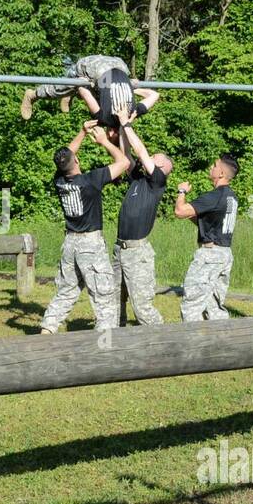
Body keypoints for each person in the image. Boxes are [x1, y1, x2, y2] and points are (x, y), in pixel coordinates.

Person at [39, 121, 130, 334]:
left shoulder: (59, 180)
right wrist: (104, 141)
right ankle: (105, 342)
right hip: (90, 243)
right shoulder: (91, 181)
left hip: (70, 242)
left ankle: (47, 329)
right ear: (77, 160)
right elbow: (124, 162)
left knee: (67, 290)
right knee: (103, 295)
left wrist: (81, 132)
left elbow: (66, 157)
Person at [111, 106, 174, 326]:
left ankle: (162, 343)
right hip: (120, 249)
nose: (150, 156)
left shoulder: (158, 180)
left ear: (163, 166)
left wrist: (127, 124)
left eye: (155, 157)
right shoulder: (139, 179)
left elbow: (140, 151)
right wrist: (121, 125)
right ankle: (116, 340)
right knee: (113, 301)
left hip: (137, 253)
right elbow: (126, 154)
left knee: (142, 306)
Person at [174, 155, 240, 321]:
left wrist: (181, 192)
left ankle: (192, 344)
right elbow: (209, 222)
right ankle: (221, 343)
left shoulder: (215, 196)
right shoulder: (231, 197)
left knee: (192, 304)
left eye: (215, 165)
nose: (211, 167)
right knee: (214, 306)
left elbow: (180, 211)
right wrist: (194, 212)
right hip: (224, 254)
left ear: (221, 173)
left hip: (210, 255)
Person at [19, 54, 159, 130]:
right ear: (111, 133)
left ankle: (70, 93)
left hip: (120, 65)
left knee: (100, 93)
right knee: (68, 86)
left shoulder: (134, 112)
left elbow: (154, 94)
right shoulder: (105, 119)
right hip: (93, 66)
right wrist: (77, 86)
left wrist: (130, 86)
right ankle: (32, 95)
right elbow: (84, 91)